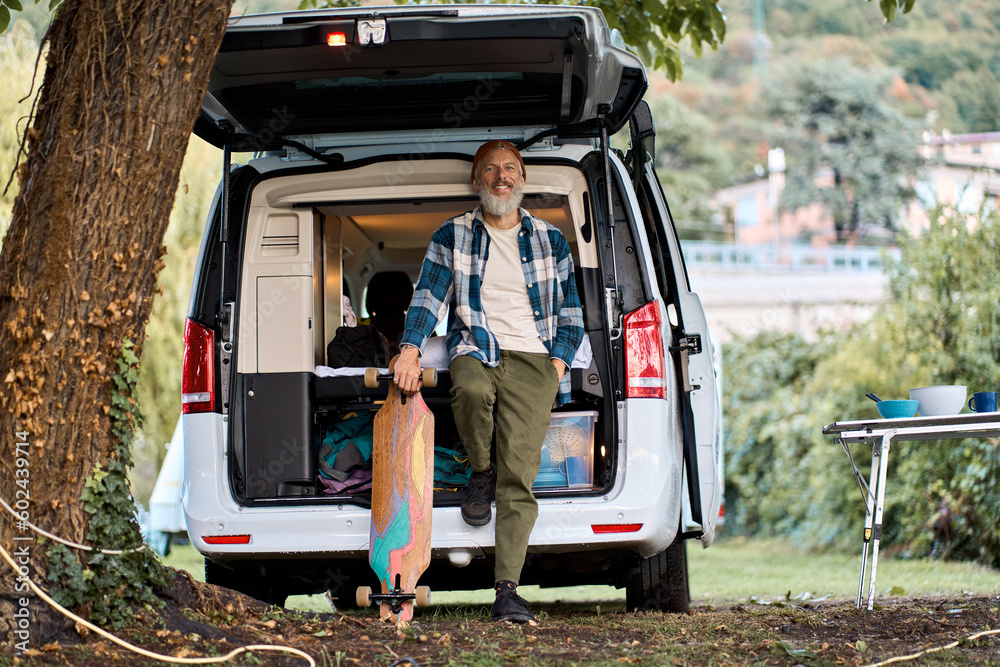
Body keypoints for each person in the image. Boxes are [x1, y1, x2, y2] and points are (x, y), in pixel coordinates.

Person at [394, 139, 584, 623]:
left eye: (510, 169)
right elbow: (428, 298)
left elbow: (572, 316)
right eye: (491, 170)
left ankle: (507, 591)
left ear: (522, 179)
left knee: (520, 476)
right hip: (475, 346)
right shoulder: (451, 236)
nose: (502, 176)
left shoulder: (550, 240)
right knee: (472, 390)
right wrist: (410, 349)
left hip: (535, 360)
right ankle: (480, 470)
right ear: (476, 181)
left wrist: (557, 366)